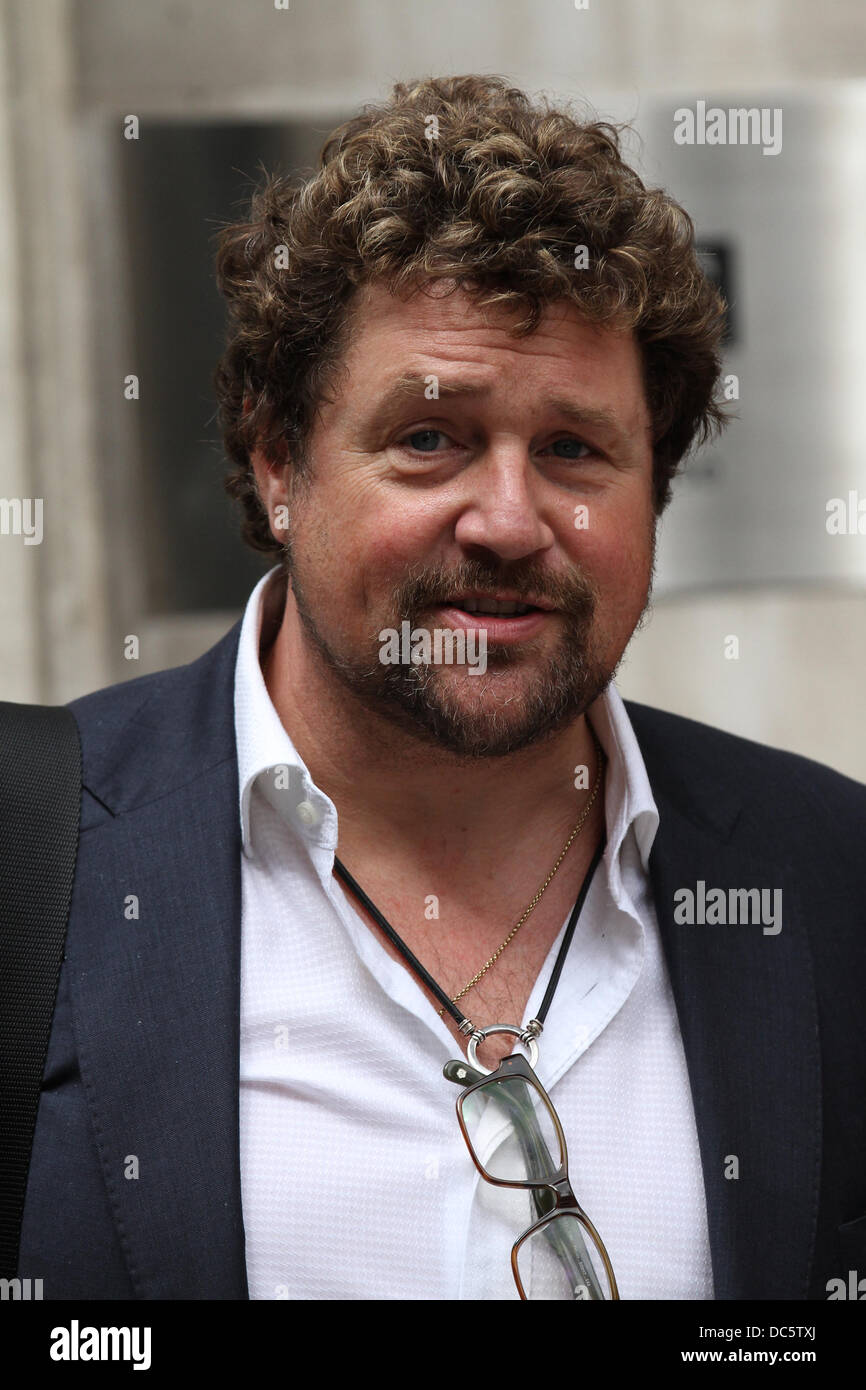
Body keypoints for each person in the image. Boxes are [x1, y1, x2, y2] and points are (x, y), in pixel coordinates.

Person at [18, 74, 866, 1301]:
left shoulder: (827, 873)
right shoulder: (35, 854)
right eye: (429, 438)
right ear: (277, 464)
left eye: (574, 449)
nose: (511, 521)